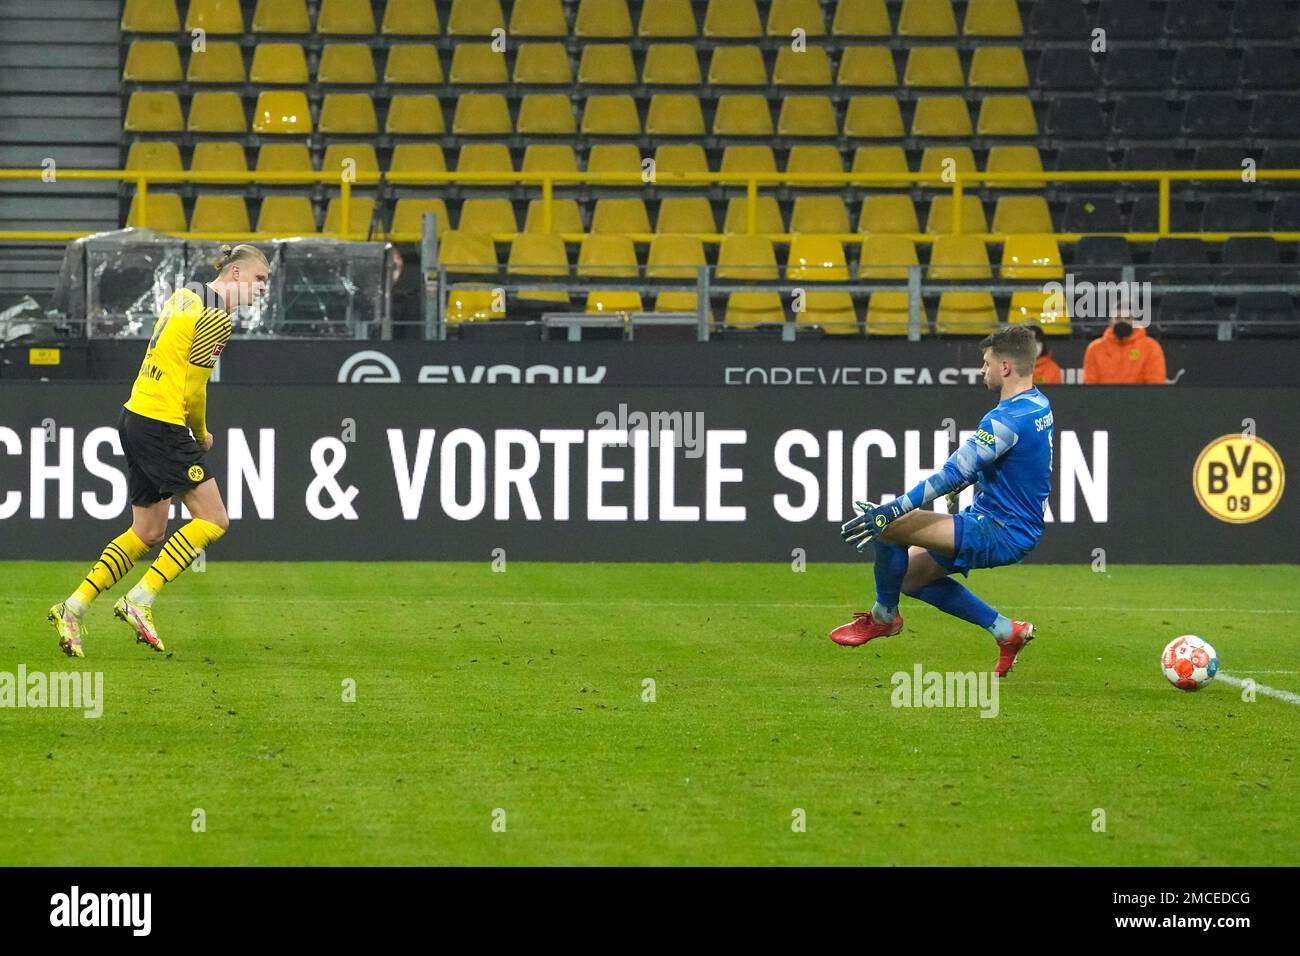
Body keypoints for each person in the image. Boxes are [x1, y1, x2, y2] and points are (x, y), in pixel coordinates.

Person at [47, 244, 268, 657]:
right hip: (163, 421)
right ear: (236, 273)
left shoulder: (186, 293)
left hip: (135, 415)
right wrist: (200, 432)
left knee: (147, 531)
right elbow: (193, 388)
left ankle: (72, 607)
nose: (262, 289)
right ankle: (139, 599)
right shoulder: (217, 315)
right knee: (215, 519)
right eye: (259, 279)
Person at [831, 325, 1053, 678]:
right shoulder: (1037, 404)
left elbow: (952, 472)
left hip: (999, 528)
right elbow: (1009, 464)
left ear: (1006, 367)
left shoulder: (1006, 420)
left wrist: (892, 508)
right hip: (1004, 521)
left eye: (986, 363)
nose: (983, 370)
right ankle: (1005, 632)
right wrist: (970, 480)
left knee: (889, 528)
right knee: (912, 579)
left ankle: (883, 617)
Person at [1083, 311, 1166, 384]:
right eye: (1118, 318)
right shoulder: (1095, 348)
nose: (1123, 322)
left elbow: (1155, 384)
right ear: (1110, 322)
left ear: (1135, 321)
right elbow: (1090, 385)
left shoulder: (1151, 347)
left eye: (1128, 318)